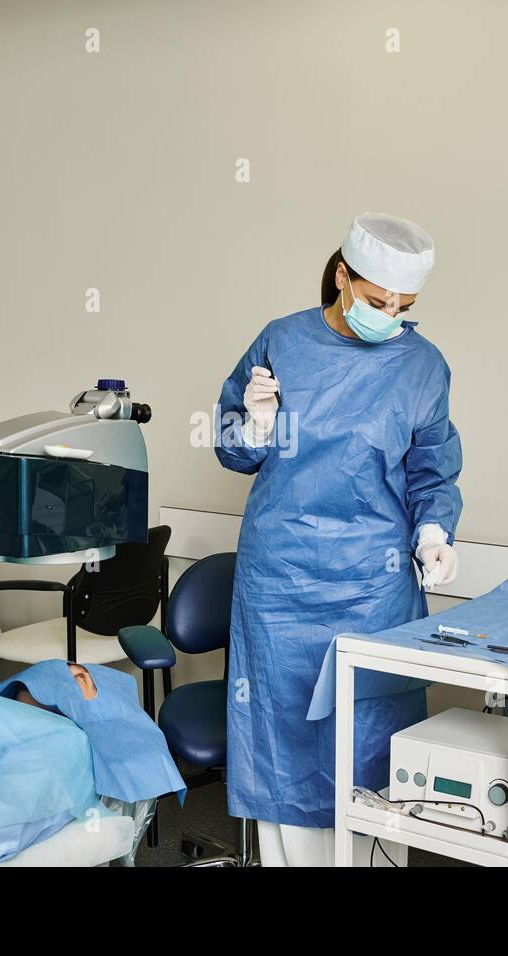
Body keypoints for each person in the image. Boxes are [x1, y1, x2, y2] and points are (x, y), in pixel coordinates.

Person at [215, 212, 463, 867]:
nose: (392, 316)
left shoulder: (421, 367)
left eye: (405, 307)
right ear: (341, 277)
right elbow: (230, 448)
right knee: (286, 746)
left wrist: (435, 530)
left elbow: (432, 467)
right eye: (379, 301)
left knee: (373, 750)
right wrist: (258, 428)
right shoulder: (281, 343)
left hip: (374, 589)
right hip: (282, 588)